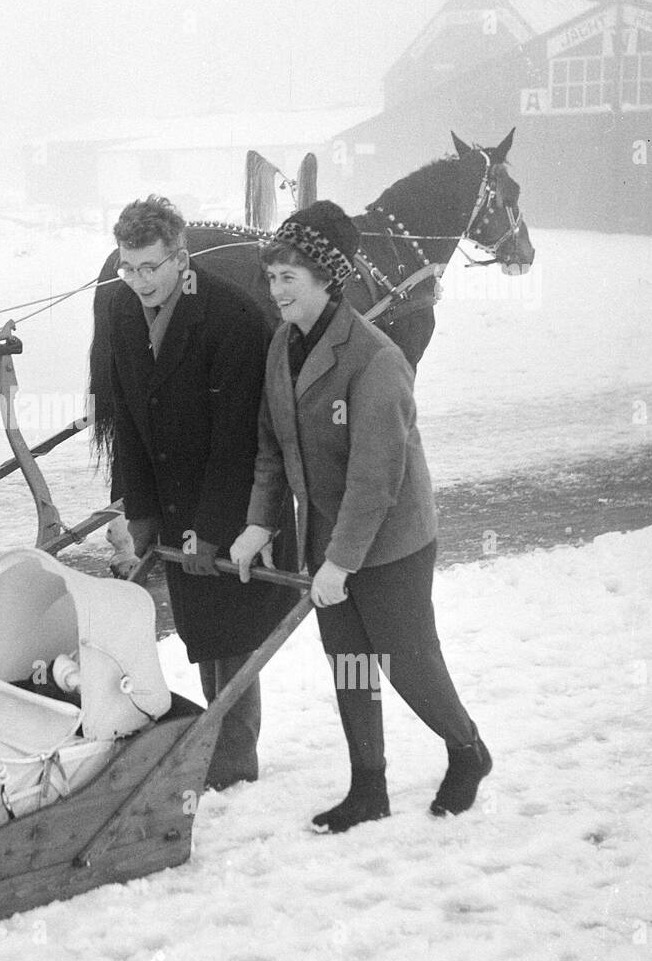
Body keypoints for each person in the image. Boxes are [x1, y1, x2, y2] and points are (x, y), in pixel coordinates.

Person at [229, 202, 491, 832]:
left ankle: (467, 750)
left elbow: (377, 480)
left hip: (391, 542)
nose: (276, 289)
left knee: (407, 662)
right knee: (349, 664)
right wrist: (260, 523)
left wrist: (341, 563)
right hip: (329, 538)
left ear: (328, 278)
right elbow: (272, 445)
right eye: (272, 277)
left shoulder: (375, 359)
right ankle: (368, 789)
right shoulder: (281, 347)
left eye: (289, 277)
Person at [107, 196, 297, 789]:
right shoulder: (120, 311)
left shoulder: (230, 319)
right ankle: (215, 740)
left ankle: (234, 759)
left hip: (231, 505)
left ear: (181, 259)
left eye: (150, 269)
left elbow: (239, 438)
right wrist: (137, 513)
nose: (138, 282)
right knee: (202, 628)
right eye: (127, 268)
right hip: (169, 500)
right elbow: (129, 423)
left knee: (233, 627)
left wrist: (212, 527)